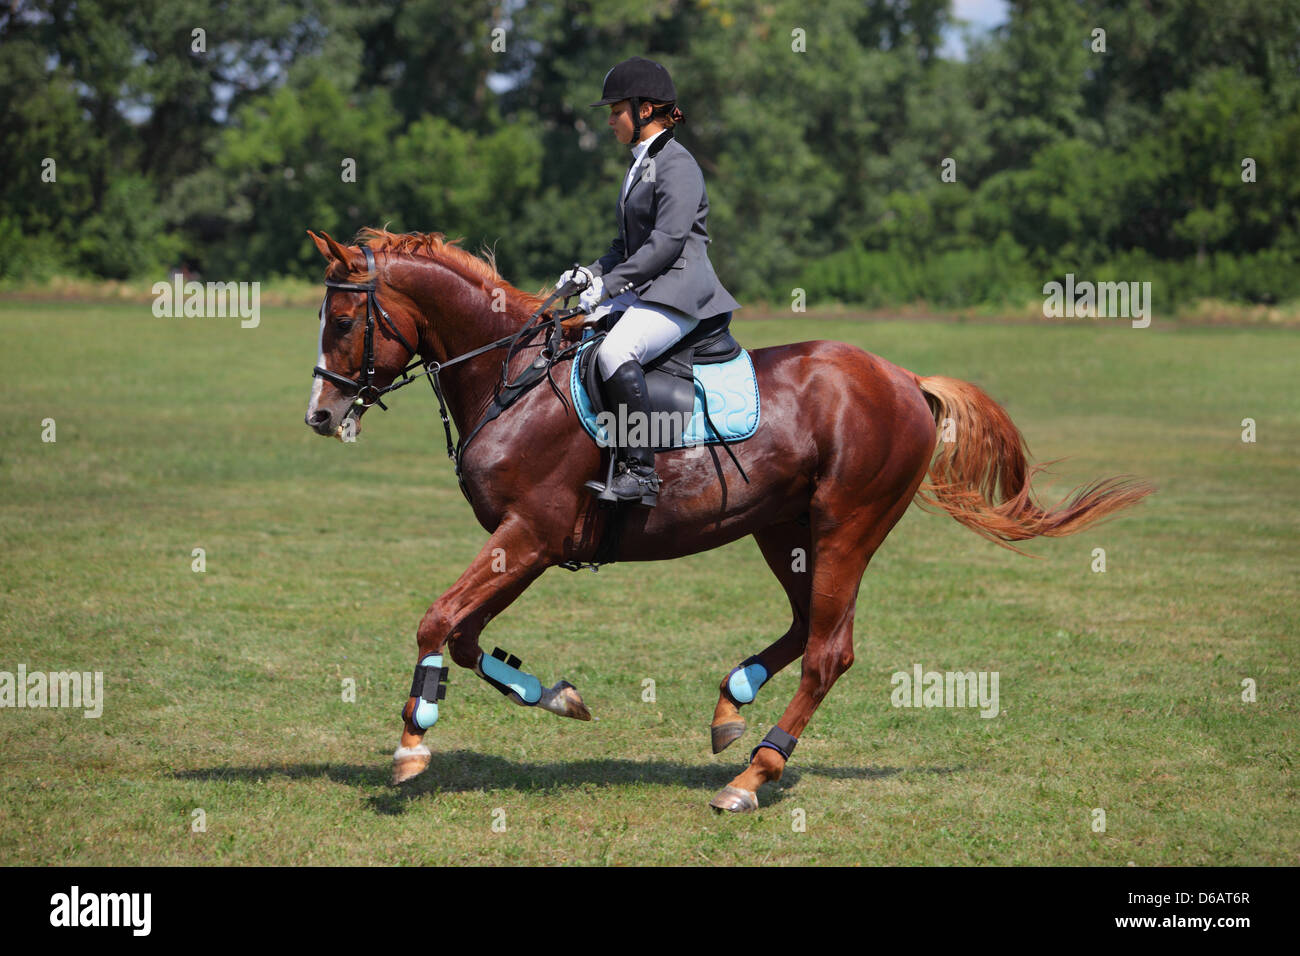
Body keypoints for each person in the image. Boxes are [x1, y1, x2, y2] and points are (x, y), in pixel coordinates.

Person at [558, 56, 740, 507]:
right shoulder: (640, 164)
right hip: (648, 287)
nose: (609, 122)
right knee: (577, 333)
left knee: (617, 350)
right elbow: (625, 246)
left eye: (614, 110)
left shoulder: (678, 164)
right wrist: (590, 273)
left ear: (643, 110)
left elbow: (666, 243)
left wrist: (610, 286)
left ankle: (640, 471)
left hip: (680, 291)